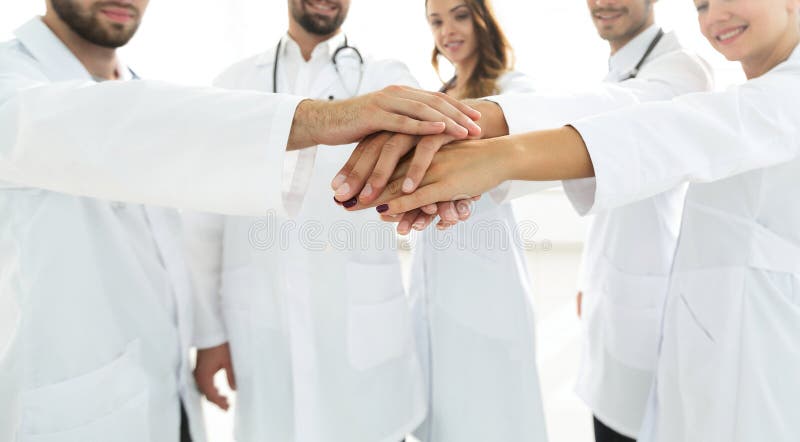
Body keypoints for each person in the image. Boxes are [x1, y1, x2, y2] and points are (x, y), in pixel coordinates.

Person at [0, 1, 480, 440]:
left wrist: (443, 184)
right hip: (94, 395)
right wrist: (210, 335)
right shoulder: (16, 83)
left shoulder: (387, 74)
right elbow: (196, 214)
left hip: (337, 330)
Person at [359, 0, 800, 440]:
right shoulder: (733, 86)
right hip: (691, 353)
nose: (714, 15)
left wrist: (494, 151)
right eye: (702, 4)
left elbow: (658, 126)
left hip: (752, 373)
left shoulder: (714, 81)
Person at [186, 1, 433, 441]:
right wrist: (208, 334)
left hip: (359, 329)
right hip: (262, 327)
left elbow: (425, 170)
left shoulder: (386, 78)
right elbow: (203, 222)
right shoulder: (234, 84)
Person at [398, 0, 545, 440]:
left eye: (459, 15)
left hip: (486, 276)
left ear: (483, 19)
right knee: (441, 408)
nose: (448, 31)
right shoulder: (440, 93)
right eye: (436, 21)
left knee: (487, 410)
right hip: (434, 269)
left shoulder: (512, 88)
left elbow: (527, 150)